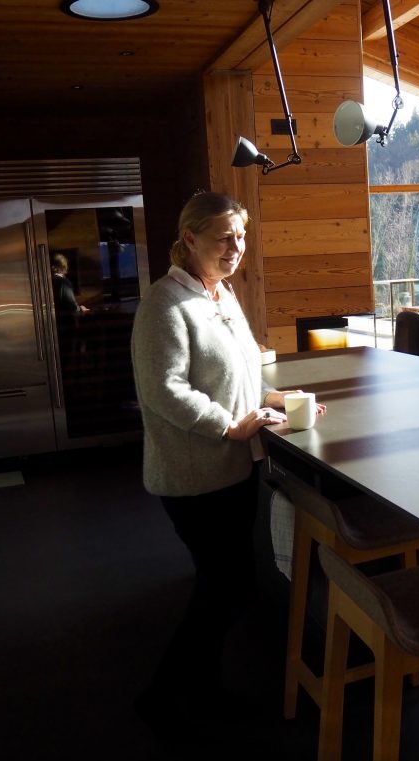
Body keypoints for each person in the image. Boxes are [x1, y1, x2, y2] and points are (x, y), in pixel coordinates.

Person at [130, 192, 323, 732]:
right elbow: (163, 391)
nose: (236, 247)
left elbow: (244, 364)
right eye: (224, 237)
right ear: (190, 238)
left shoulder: (222, 295)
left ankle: (198, 692)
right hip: (192, 478)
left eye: (241, 236)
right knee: (227, 587)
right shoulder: (164, 306)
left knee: (222, 585)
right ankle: (165, 696)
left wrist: (275, 397)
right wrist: (230, 425)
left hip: (230, 471)